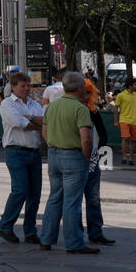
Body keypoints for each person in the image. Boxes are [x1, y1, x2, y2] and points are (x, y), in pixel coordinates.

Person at [38, 72, 99, 254]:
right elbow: (86, 139)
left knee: (54, 197)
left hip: (54, 155)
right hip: (73, 156)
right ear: (80, 87)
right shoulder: (80, 109)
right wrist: (87, 157)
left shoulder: (52, 107)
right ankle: (74, 243)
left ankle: (46, 238)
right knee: (72, 201)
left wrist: (53, 145)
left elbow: (44, 132)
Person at [0, 72, 44, 244]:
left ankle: (30, 231)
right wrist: (36, 123)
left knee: (35, 194)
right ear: (14, 87)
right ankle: (6, 226)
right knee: (20, 189)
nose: (26, 89)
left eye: (27, 85)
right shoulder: (7, 104)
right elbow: (20, 124)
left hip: (34, 151)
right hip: (16, 151)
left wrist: (33, 120)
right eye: (22, 86)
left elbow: (45, 121)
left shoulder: (34, 104)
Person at [82, 80, 114, 246]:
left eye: (88, 93)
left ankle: (95, 232)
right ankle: (78, 233)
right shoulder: (73, 109)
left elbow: (103, 134)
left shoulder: (93, 111)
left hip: (91, 156)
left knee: (93, 196)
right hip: (75, 156)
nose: (86, 95)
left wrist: (97, 153)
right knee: (74, 198)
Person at [115, 78, 136, 166]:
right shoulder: (121, 95)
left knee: (133, 141)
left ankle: (131, 158)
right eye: (135, 84)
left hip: (135, 121)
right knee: (125, 138)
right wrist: (116, 121)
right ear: (130, 85)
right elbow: (115, 108)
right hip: (124, 120)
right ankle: (124, 157)